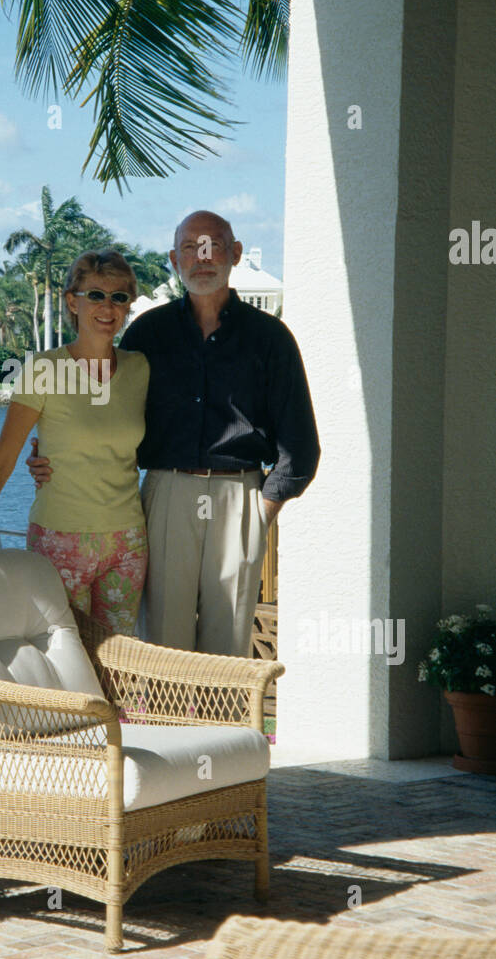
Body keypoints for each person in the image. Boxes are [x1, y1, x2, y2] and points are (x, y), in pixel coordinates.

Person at [29, 211, 320, 657]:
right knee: (162, 645)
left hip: (241, 495)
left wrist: (260, 512)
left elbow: (300, 445)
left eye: (213, 245)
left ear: (235, 253)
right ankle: (168, 727)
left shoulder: (271, 338)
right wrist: (50, 453)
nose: (202, 257)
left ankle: (221, 729)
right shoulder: (149, 333)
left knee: (228, 646)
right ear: (173, 259)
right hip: (165, 494)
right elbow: (100, 411)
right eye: (190, 247)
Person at [0, 249, 150, 636]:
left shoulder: (140, 369)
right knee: (64, 659)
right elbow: (1, 460)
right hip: (60, 540)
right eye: (95, 294)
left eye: (120, 297)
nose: (107, 306)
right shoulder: (43, 370)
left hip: (127, 542)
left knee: (120, 663)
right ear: (71, 301)